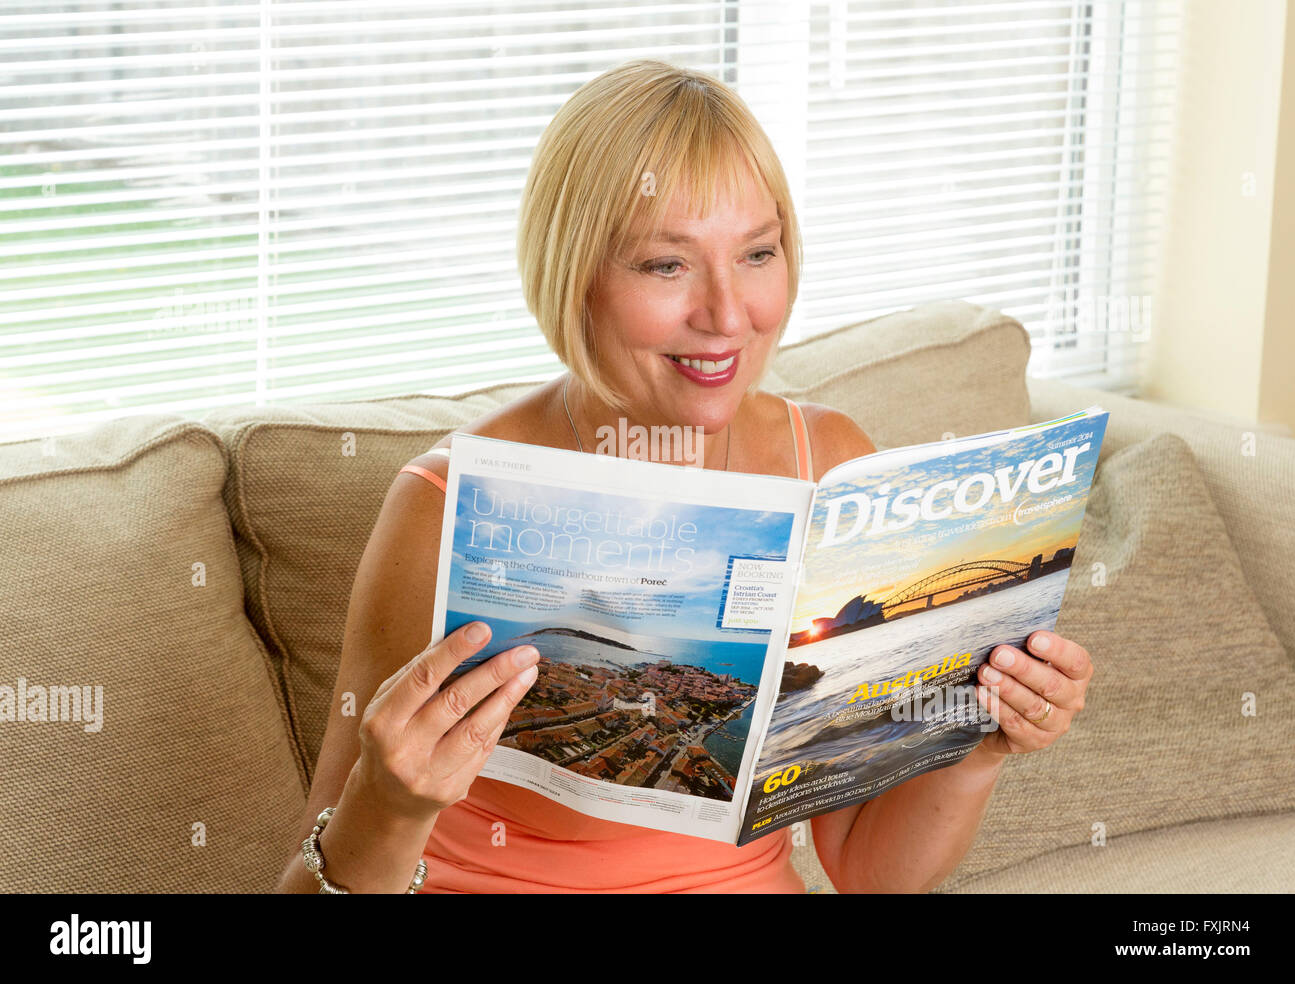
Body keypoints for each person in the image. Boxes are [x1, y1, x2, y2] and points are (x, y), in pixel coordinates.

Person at [276, 59, 1094, 894]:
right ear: (575, 273)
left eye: (757, 254)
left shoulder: (834, 467)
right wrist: (389, 803)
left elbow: (872, 873)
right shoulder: (440, 504)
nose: (729, 315)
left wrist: (975, 750)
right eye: (667, 265)